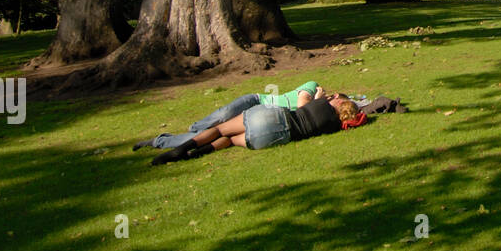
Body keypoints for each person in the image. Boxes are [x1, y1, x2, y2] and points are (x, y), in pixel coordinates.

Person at [149, 92, 366, 165]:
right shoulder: (334, 127)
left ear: (338, 103)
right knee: (233, 140)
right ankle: (197, 155)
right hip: (278, 136)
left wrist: (318, 96)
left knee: (221, 129)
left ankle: (182, 148)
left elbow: (302, 104)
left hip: (276, 116)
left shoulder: (322, 103)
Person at [133, 81, 322, 151]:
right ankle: (197, 129)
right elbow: (301, 107)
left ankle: (160, 142)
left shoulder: (319, 111)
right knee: (219, 119)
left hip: (262, 119)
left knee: (215, 136)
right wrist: (318, 99)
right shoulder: (313, 86)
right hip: (256, 102)